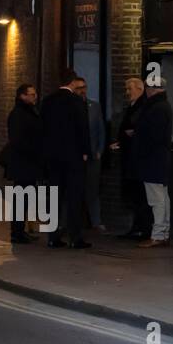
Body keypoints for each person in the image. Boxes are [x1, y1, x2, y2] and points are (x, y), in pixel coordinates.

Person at [39, 69, 92, 249]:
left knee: (54, 196)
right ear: (73, 82)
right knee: (74, 197)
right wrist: (85, 151)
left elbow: (43, 130)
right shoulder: (77, 102)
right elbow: (83, 129)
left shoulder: (47, 102)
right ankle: (75, 237)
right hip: (73, 157)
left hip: (53, 157)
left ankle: (53, 236)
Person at [133, 82, 173, 248]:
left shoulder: (156, 108)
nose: (147, 92)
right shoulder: (165, 106)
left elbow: (152, 136)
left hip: (153, 160)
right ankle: (163, 233)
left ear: (152, 90)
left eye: (148, 89)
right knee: (163, 197)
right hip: (161, 158)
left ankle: (158, 235)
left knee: (156, 199)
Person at [110, 77, 151, 240]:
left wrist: (130, 136)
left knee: (140, 195)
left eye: (130, 89)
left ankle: (143, 228)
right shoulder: (133, 106)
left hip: (137, 159)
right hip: (129, 157)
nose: (127, 92)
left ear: (140, 89)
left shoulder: (143, 107)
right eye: (126, 89)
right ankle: (137, 226)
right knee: (134, 195)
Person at [5, 84, 44, 244]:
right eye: (32, 94)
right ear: (22, 96)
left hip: (28, 164)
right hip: (23, 164)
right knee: (21, 198)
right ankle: (17, 232)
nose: (35, 97)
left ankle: (20, 231)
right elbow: (18, 140)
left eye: (35, 94)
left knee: (24, 198)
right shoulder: (19, 114)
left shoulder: (28, 112)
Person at [77, 79, 107, 234]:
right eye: (79, 88)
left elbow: (101, 130)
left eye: (84, 87)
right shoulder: (72, 107)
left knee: (93, 190)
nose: (82, 90)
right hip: (76, 156)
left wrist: (100, 150)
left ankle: (96, 221)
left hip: (93, 155)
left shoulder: (94, 106)